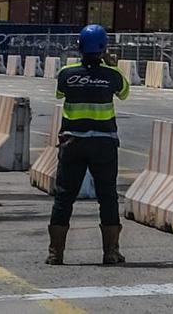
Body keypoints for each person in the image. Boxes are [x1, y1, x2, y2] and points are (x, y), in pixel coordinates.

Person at [47, 23, 130, 265]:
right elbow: (124, 93)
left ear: (79, 47)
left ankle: (56, 253)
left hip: (73, 142)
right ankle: (111, 252)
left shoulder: (66, 73)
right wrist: (111, 64)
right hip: (103, 144)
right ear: (104, 48)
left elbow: (60, 94)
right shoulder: (113, 75)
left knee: (64, 196)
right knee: (107, 196)